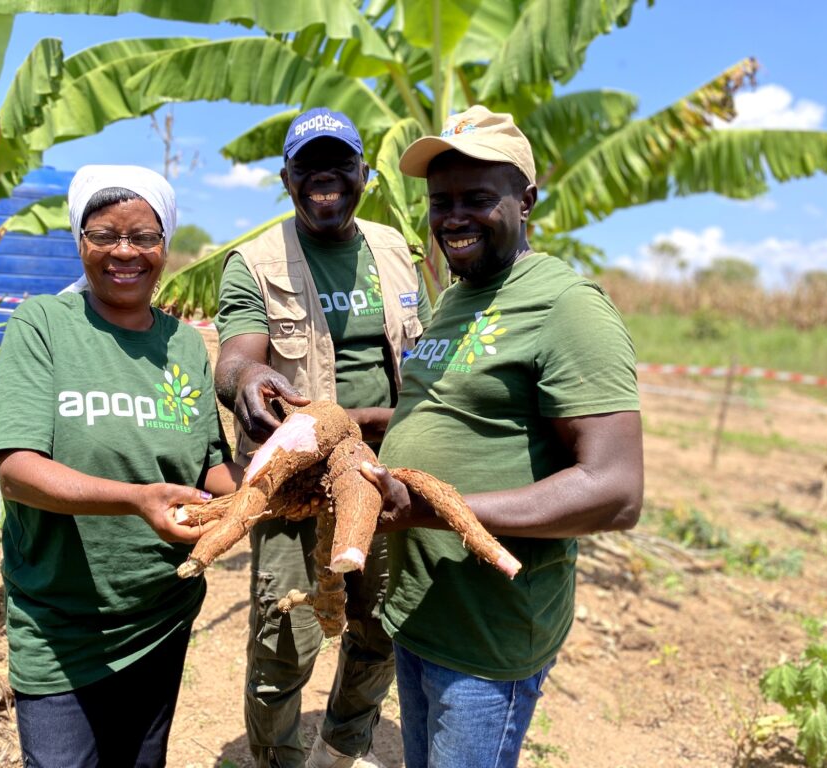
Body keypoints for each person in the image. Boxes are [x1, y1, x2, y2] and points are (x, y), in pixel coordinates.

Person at [360, 105, 645, 768]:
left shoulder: (567, 307)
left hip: (490, 638)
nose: (453, 218)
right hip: (425, 611)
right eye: (440, 202)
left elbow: (616, 489)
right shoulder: (458, 297)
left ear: (526, 199)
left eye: (477, 199)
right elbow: (443, 413)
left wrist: (436, 509)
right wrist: (346, 425)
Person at [0, 165, 241, 768]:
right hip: (61, 624)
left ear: (165, 246)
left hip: (161, 616)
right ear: (80, 241)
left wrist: (267, 489)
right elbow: (15, 469)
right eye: (105, 235)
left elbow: (208, 469)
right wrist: (136, 499)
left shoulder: (183, 344)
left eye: (144, 237)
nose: (126, 251)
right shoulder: (44, 324)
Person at [214, 108, 432, 768]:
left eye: (340, 163)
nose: (325, 178)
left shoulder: (395, 250)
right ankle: (277, 759)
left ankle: (340, 747)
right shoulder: (254, 262)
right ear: (287, 178)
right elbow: (234, 358)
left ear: (364, 173)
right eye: (308, 166)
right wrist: (249, 377)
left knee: (381, 627)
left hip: (382, 477)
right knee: (287, 638)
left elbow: (422, 355)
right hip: (298, 484)